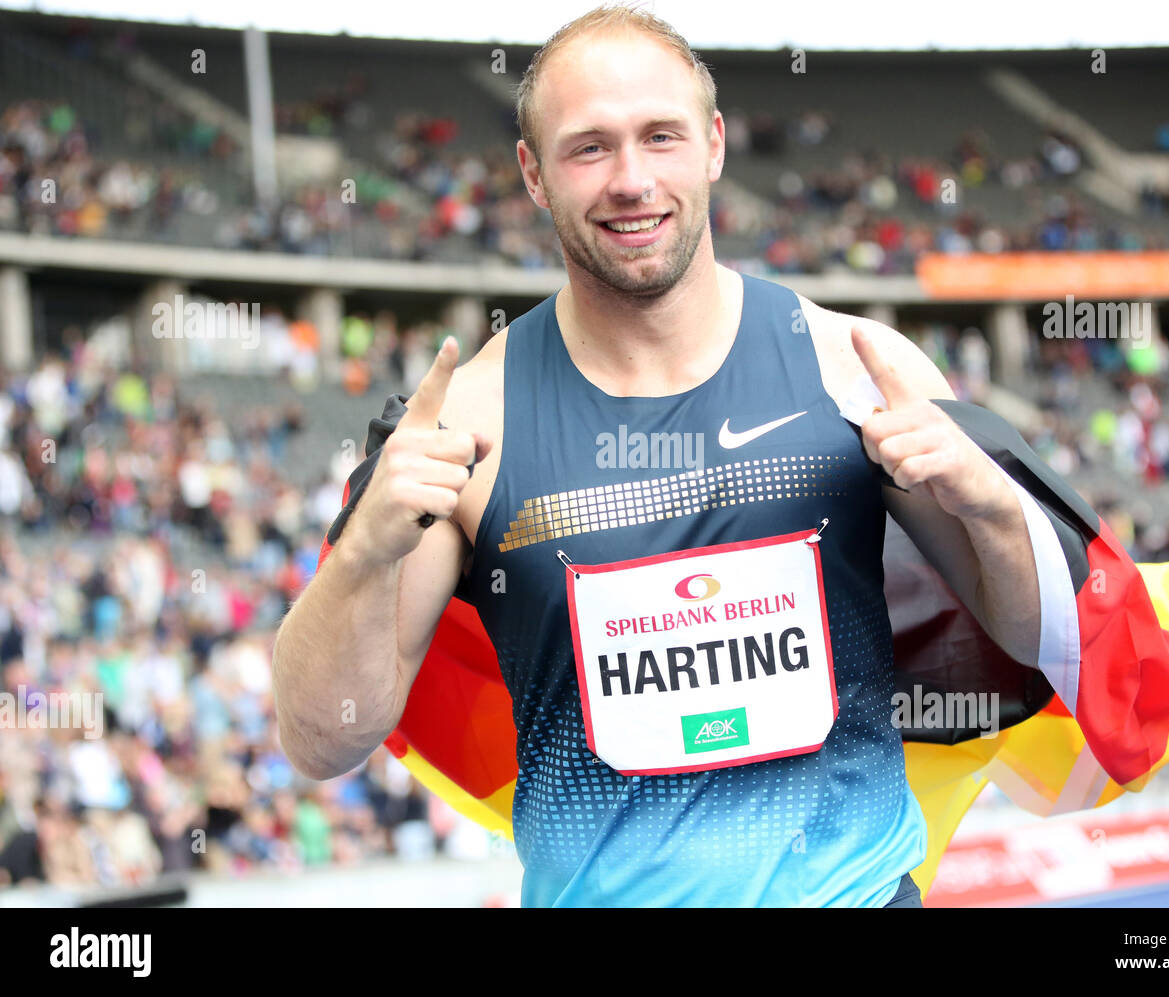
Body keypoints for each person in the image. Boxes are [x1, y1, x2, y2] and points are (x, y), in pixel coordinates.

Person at [272, 4, 1067, 908]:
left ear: (715, 145)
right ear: (532, 173)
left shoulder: (856, 369)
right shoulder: (466, 423)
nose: (631, 179)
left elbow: (1042, 642)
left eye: (661, 136)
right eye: (589, 148)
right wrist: (363, 559)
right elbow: (320, 741)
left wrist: (994, 508)